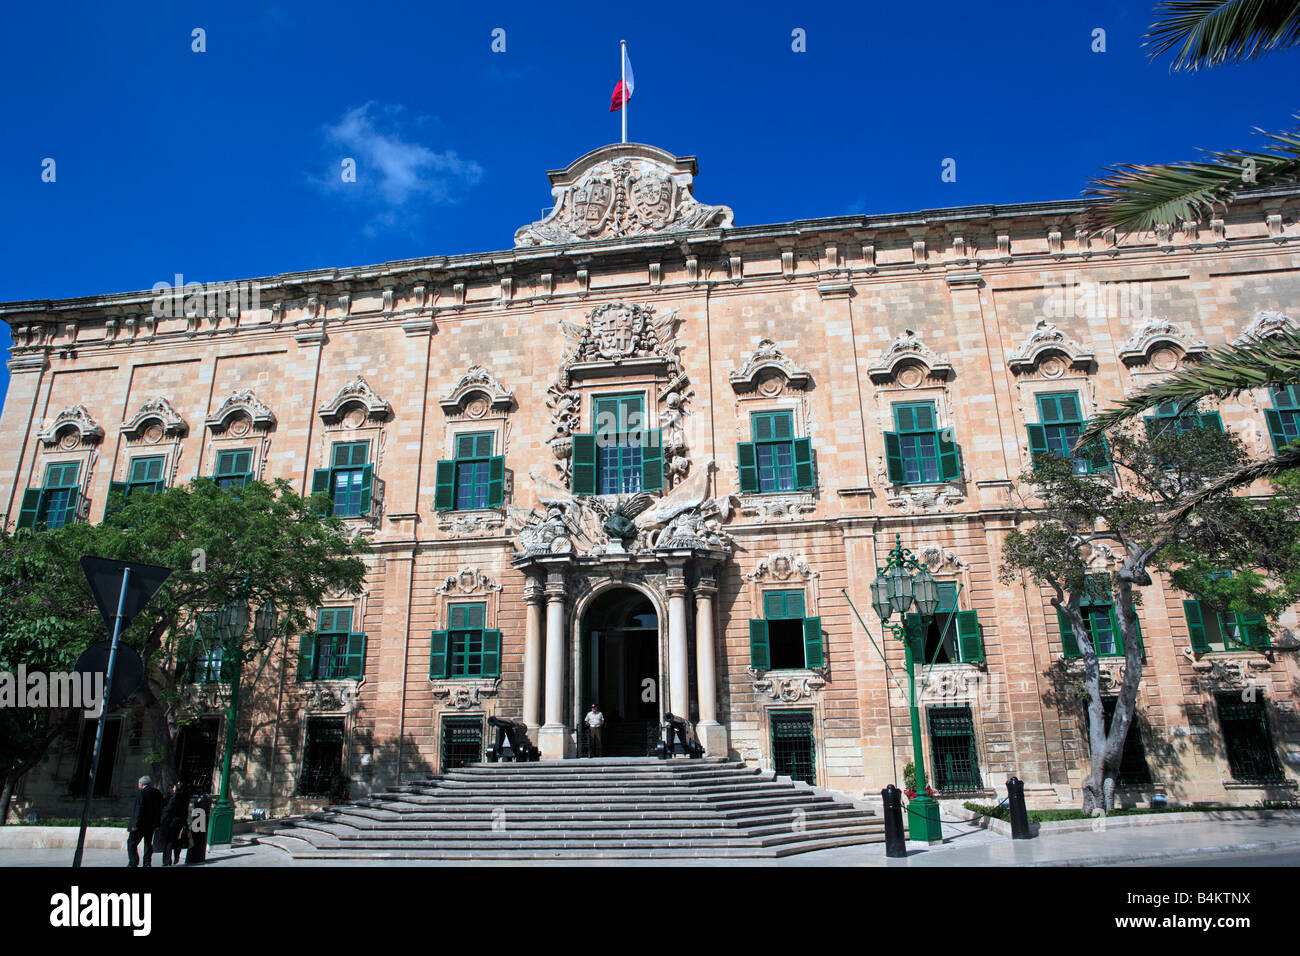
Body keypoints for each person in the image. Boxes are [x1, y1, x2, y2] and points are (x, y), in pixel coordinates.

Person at [127, 776, 164, 868]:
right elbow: (160, 809)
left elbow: (138, 809)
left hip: (140, 824)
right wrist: (157, 823)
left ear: (142, 784)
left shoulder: (141, 793)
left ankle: (133, 861)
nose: (138, 785)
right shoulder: (157, 793)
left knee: (131, 842)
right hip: (151, 824)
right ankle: (147, 863)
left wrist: (134, 824)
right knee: (148, 843)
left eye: (139, 783)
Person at [159, 781, 190, 866]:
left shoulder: (174, 798)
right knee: (177, 840)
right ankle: (176, 856)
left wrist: (161, 821)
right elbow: (185, 812)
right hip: (180, 822)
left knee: (169, 841)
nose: (173, 788)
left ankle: (167, 860)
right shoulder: (185, 798)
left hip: (172, 823)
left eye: (174, 787)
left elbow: (168, 810)